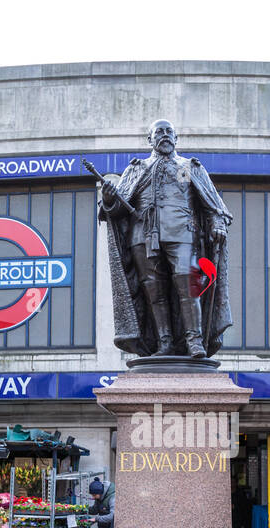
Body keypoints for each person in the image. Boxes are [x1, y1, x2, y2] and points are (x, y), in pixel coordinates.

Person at [99, 119, 233, 359]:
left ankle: (194, 341)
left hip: (182, 233)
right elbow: (117, 209)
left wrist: (217, 222)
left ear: (176, 138)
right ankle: (164, 343)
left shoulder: (187, 167)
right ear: (149, 140)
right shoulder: (137, 168)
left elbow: (212, 202)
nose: (165, 136)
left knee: (188, 286)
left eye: (169, 132)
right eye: (159, 132)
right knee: (154, 292)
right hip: (141, 237)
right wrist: (109, 200)